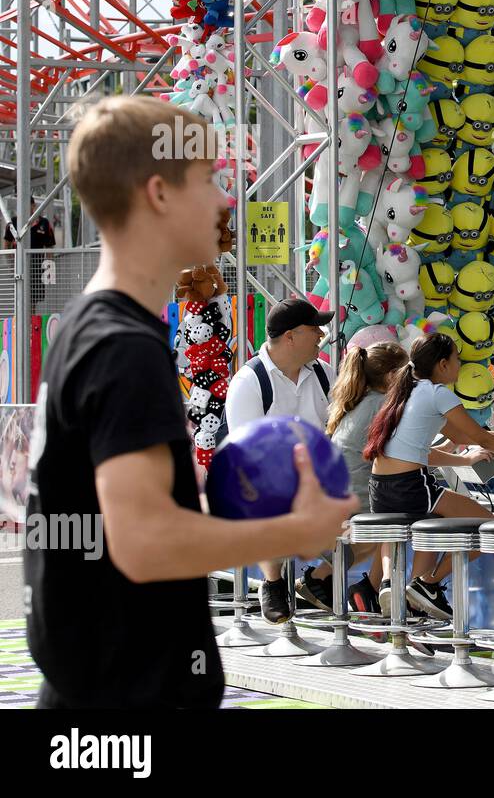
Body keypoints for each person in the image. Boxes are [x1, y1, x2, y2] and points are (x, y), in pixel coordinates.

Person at [24, 96, 355, 709]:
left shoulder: (96, 327)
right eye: (207, 180)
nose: (225, 202)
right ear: (158, 194)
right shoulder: (122, 346)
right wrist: (294, 529)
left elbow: (115, 508)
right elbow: (144, 543)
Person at [363, 332, 494, 618]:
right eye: (458, 359)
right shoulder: (437, 393)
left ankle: (411, 598)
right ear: (443, 365)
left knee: (434, 529)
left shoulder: (407, 390)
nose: (460, 365)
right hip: (410, 487)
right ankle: (428, 584)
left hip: (381, 488)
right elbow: (479, 438)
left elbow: (457, 435)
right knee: (489, 528)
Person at [224, 298, 336, 625]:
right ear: (290, 336)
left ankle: (318, 579)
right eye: (314, 328)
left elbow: (340, 431)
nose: (321, 334)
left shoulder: (325, 374)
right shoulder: (249, 381)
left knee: (378, 511)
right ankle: (273, 583)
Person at [320, 340, 409, 614]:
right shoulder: (383, 405)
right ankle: (382, 588)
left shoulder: (359, 401)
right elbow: (404, 453)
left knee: (389, 518)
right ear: (393, 376)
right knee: (401, 518)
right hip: (353, 507)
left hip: (331, 502)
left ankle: (324, 580)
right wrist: (461, 455)